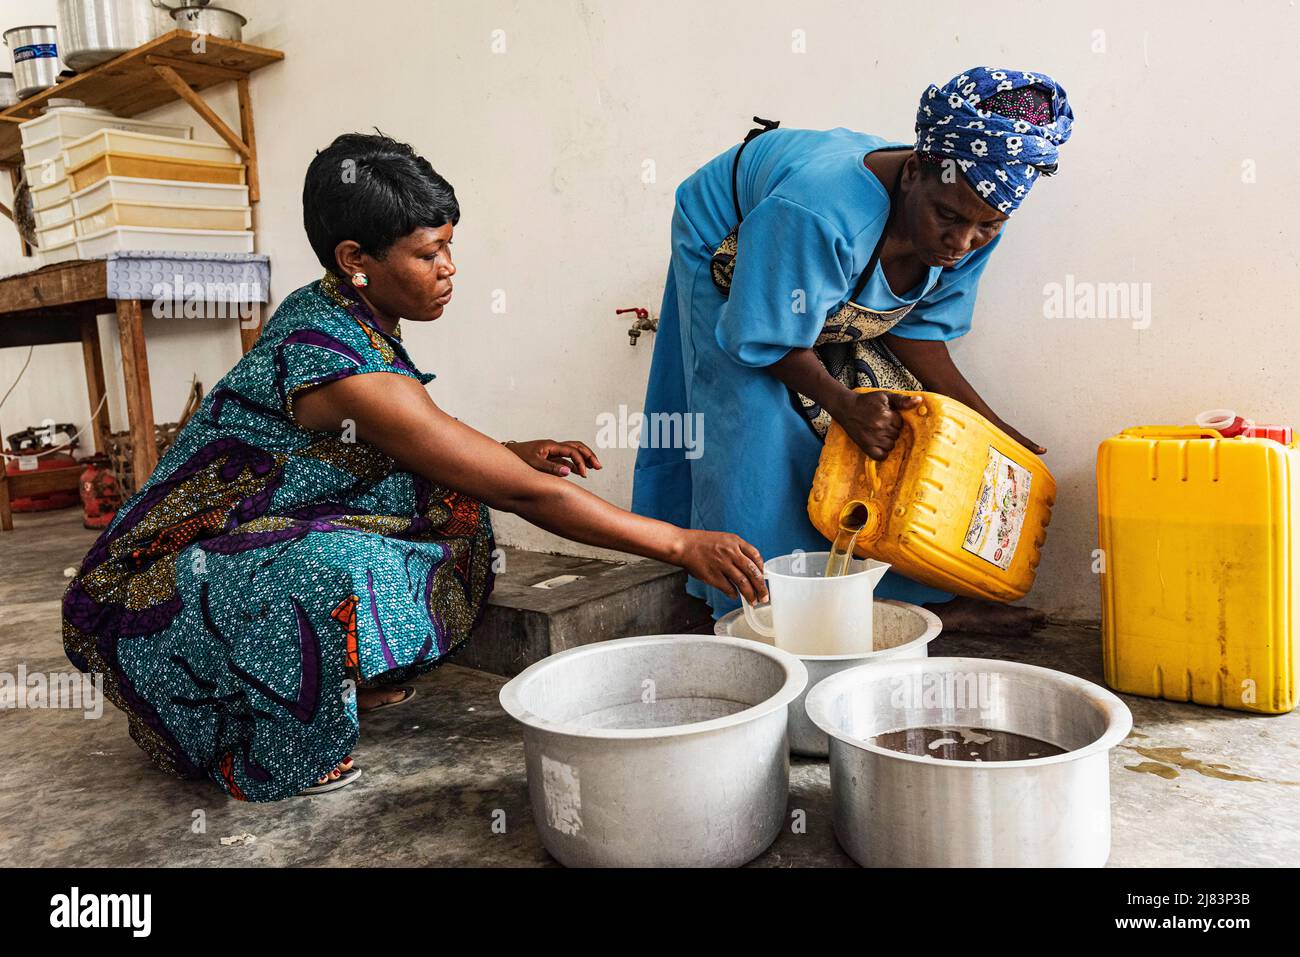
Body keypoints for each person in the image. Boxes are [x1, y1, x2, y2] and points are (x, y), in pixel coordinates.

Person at [62, 133, 767, 802]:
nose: (449, 268)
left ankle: (326, 664)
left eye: (450, 247)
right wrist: (678, 543)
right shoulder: (331, 357)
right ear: (354, 257)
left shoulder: (347, 311)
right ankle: (270, 735)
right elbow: (516, 491)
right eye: (429, 253)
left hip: (258, 522)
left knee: (452, 516)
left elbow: (422, 435)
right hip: (154, 585)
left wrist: (508, 450)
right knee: (330, 567)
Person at [632, 67, 1073, 632]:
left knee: (906, 424)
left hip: (809, 245)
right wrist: (842, 402)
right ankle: (759, 604)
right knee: (754, 412)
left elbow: (921, 333)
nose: (962, 244)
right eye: (949, 218)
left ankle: (909, 600)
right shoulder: (820, 211)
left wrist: (992, 429)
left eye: (987, 226)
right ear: (915, 171)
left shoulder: (977, 212)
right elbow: (760, 334)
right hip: (727, 229)